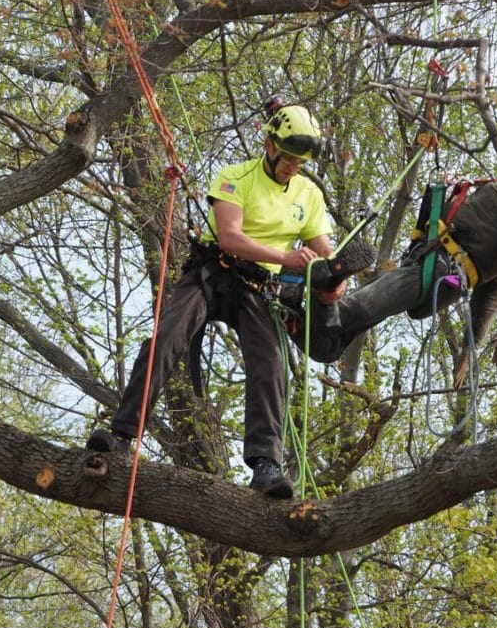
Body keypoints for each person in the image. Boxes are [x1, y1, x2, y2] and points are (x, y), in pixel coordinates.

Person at [87, 103, 349, 498]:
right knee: (167, 337)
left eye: (301, 161)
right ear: (270, 145)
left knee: (271, 363)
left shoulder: (309, 195)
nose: (293, 166)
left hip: (256, 288)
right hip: (213, 273)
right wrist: (285, 258)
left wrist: (334, 277)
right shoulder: (235, 177)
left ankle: (265, 464)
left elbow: (324, 252)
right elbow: (229, 235)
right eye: (289, 158)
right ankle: (123, 434)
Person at [294, 136, 497, 385]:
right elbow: (496, 282)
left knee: (355, 309)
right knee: (327, 346)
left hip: (439, 270)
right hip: (429, 263)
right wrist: (471, 345)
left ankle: (317, 290)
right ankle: (307, 306)